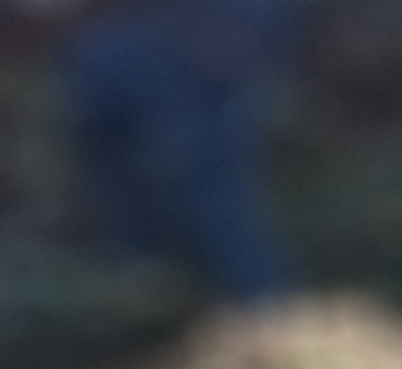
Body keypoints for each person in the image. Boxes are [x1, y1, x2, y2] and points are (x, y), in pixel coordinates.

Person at [56, 0, 298, 304]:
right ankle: (149, 288)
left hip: (189, 51)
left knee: (213, 192)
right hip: (109, 51)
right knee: (120, 190)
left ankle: (265, 302)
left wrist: (245, 31)